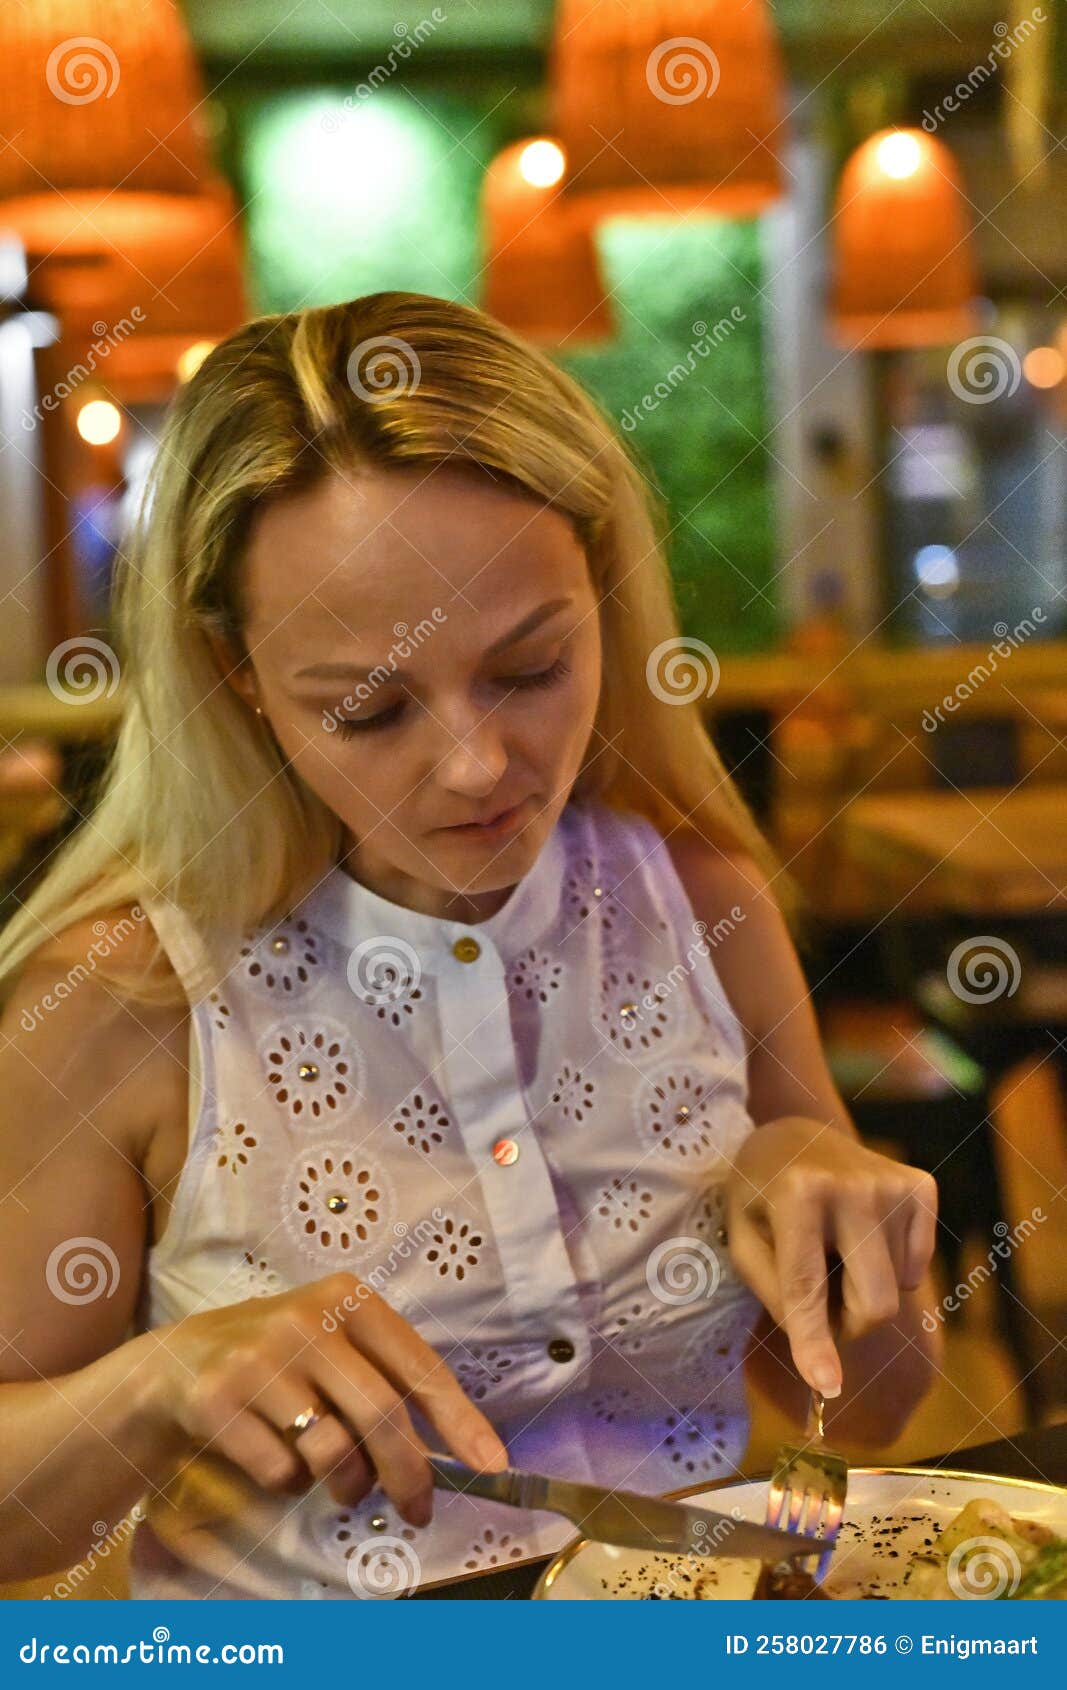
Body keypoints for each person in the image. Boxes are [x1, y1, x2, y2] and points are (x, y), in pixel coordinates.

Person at [0, 292, 940, 1600]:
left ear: (604, 596)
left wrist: (835, 1202)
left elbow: (878, 1414)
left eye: (530, 667)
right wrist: (160, 1379)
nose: (479, 763)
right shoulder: (126, 995)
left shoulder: (702, 902)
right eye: (371, 707)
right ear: (235, 677)